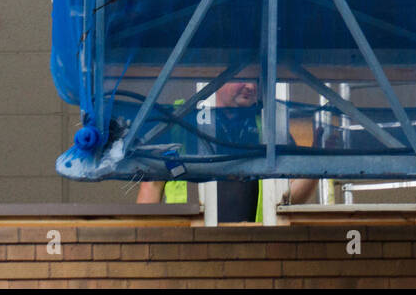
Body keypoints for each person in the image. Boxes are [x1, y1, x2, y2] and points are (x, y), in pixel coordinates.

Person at [135, 79, 318, 222]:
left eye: (255, 79)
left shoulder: (270, 126)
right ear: (219, 76)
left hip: (254, 245)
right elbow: (152, 185)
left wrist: (317, 159)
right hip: (190, 243)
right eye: (243, 78)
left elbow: (290, 195)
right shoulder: (182, 120)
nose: (251, 86)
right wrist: (143, 240)